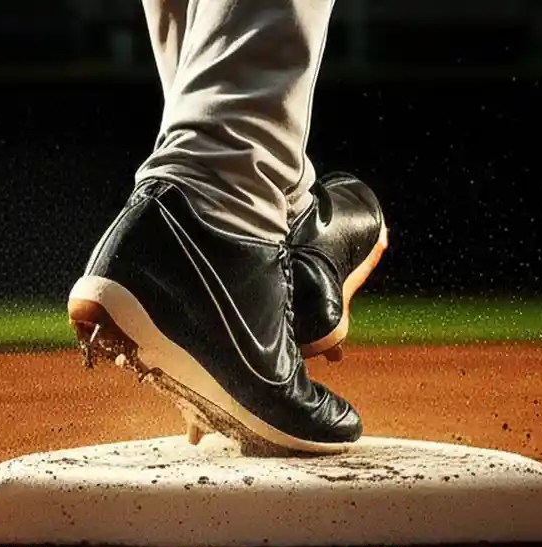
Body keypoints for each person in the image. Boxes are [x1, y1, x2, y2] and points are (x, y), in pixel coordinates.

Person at [68, 0, 388, 456]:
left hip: (210, 200)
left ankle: (262, 220)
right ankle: (223, 211)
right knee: (226, 182)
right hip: (215, 207)